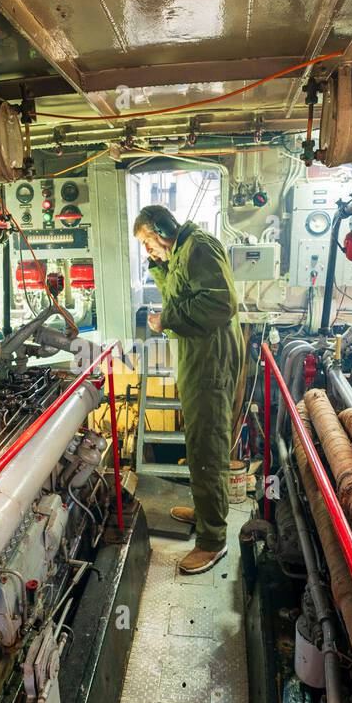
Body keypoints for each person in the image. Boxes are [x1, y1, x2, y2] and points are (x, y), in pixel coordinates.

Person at [135, 204, 244, 574]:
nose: (148, 250)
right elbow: (181, 297)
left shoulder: (199, 246)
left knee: (208, 445)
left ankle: (213, 541)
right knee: (199, 440)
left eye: (148, 242)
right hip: (199, 359)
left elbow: (220, 302)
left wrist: (166, 318)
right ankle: (205, 511)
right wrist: (160, 266)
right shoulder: (179, 253)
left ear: (163, 228)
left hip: (210, 362)